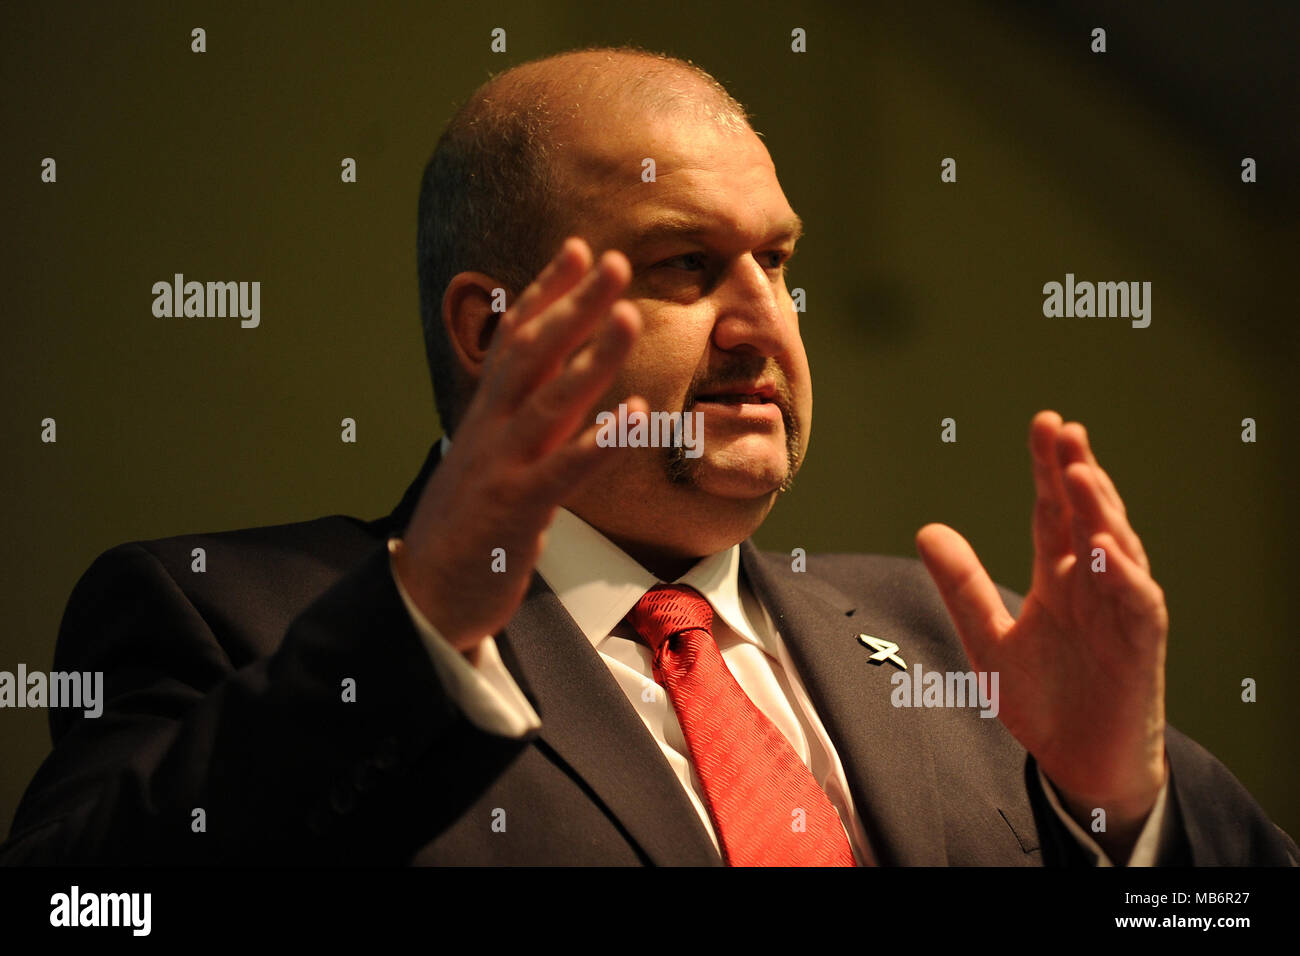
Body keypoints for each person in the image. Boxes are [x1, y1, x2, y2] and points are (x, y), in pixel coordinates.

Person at [2, 46, 1294, 867]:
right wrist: (427, 623)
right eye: (687, 265)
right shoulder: (227, 615)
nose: (762, 325)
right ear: (490, 324)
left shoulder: (966, 648)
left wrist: (1127, 815)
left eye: (779, 264)